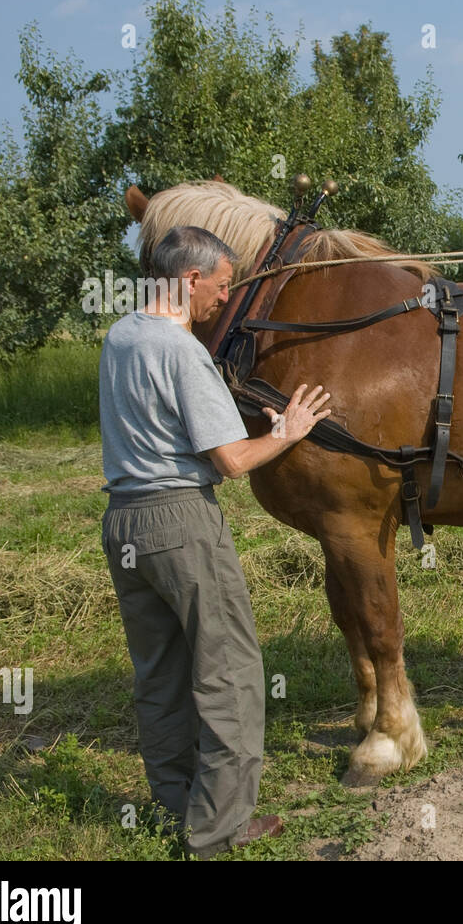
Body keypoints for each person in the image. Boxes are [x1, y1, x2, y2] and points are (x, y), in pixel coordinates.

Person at [99, 225, 331, 858]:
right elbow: (231, 459)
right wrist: (290, 429)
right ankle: (219, 827)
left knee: (160, 669)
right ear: (192, 279)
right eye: (223, 287)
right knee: (229, 672)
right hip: (179, 523)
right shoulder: (181, 350)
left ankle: (174, 799)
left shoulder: (121, 336)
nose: (224, 302)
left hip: (123, 519)